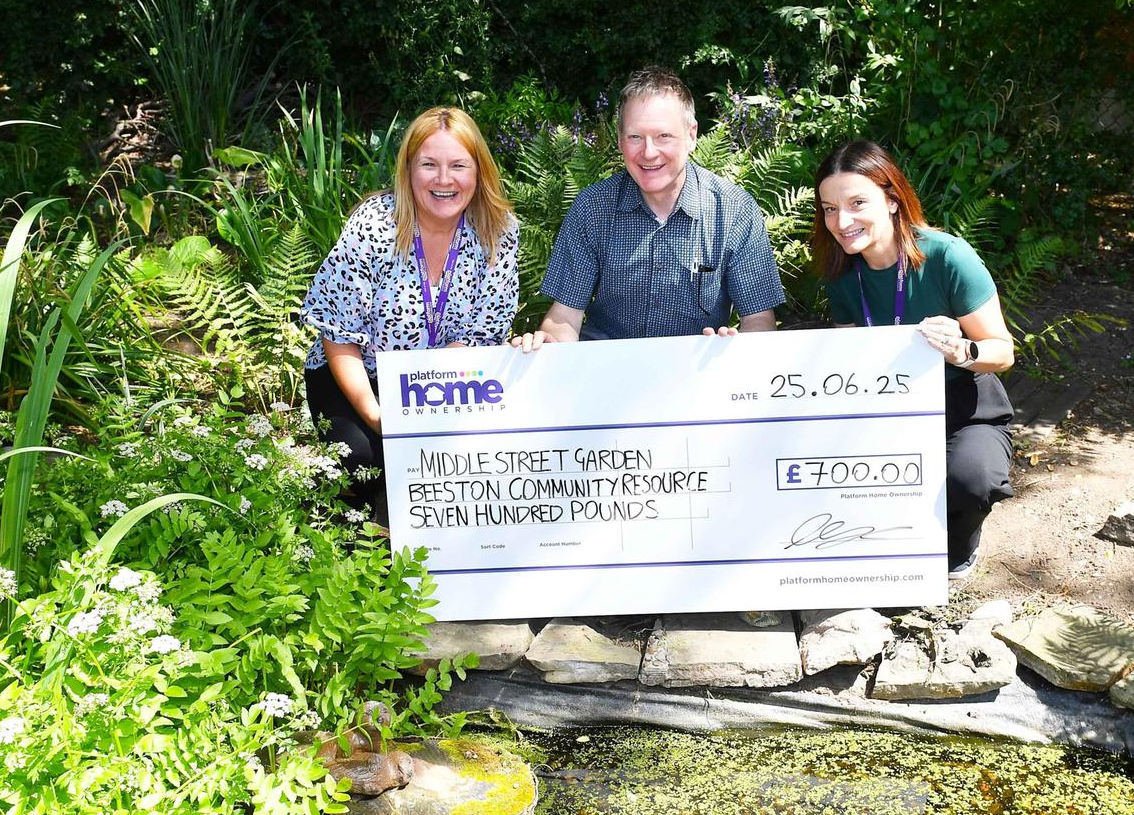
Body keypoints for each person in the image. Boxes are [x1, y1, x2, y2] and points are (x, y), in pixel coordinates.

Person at [813, 140, 1015, 579]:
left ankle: (960, 544)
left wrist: (963, 349)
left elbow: (1003, 351)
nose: (841, 221)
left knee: (971, 479)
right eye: (830, 208)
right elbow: (848, 361)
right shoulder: (842, 274)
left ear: (891, 199)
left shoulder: (947, 256)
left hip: (963, 406)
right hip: (886, 408)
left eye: (857, 203)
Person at [301, 107, 519, 503]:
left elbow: (484, 336)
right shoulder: (374, 225)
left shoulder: (497, 232)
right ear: (408, 170)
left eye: (458, 165)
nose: (443, 179)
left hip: (446, 381)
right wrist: (379, 416)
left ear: (478, 171)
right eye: (428, 165)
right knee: (364, 461)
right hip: (359, 373)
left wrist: (432, 405)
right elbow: (337, 335)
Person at [512, 67, 784, 349]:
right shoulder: (592, 208)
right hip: (605, 375)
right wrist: (548, 345)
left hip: (697, 376)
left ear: (691, 135)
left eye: (663, 136)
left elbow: (759, 320)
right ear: (619, 139)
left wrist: (735, 351)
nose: (649, 152)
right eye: (635, 137)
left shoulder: (734, 210)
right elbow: (565, 316)